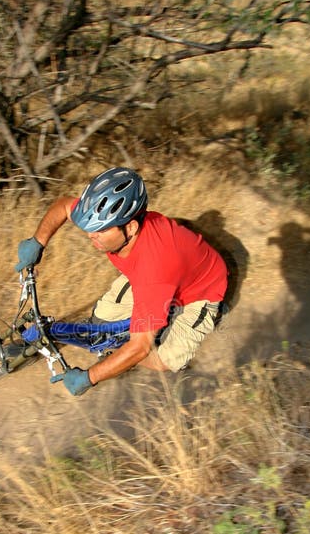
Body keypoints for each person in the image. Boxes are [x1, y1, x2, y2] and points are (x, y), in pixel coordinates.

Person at [15, 167, 228, 396]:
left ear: (131, 227)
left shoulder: (155, 269)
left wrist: (90, 377)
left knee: (164, 361)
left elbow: (140, 348)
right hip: (152, 274)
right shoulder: (113, 225)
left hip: (200, 292)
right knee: (101, 319)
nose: (90, 235)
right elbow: (65, 206)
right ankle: (128, 340)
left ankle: (142, 341)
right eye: (90, 228)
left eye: (100, 230)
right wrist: (37, 242)